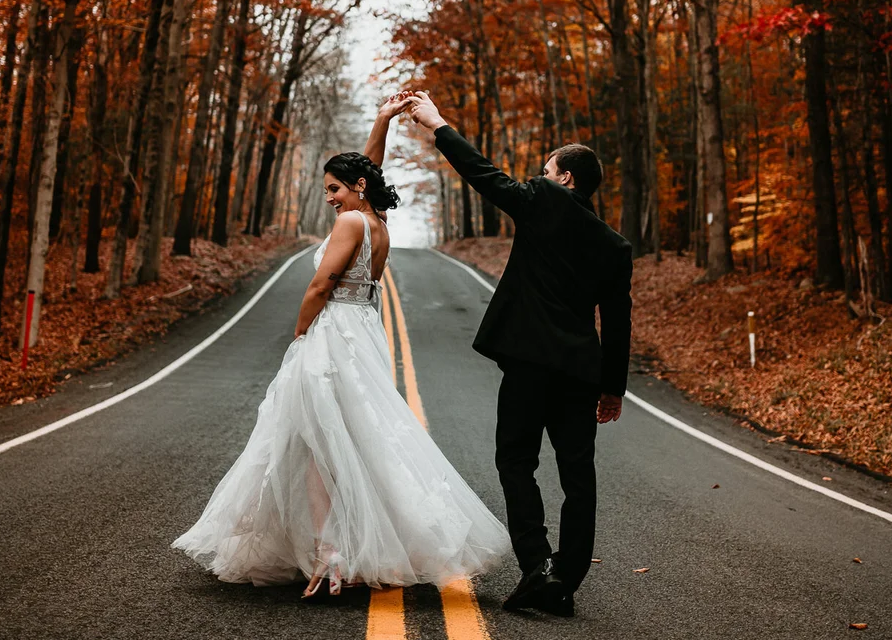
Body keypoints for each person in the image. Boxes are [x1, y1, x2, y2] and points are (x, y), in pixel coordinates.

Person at [172, 97, 510, 598]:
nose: (329, 197)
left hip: (334, 330)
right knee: (347, 436)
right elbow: (367, 173)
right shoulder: (376, 223)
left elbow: (321, 283)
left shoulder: (351, 222)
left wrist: (301, 330)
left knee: (316, 439)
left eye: (333, 188)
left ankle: (330, 550)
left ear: (354, 189)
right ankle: (336, 546)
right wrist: (382, 121)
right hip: (363, 328)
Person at [405, 90, 633, 618]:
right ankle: (565, 578)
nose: (540, 175)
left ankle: (538, 564)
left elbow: (485, 175)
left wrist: (438, 124)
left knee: (515, 460)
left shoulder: (543, 200)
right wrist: (613, 388)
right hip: (579, 371)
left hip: (529, 364)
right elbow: (618, 319)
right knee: (579, 475)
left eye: (547, 169)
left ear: (566, 179)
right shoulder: (614, 245)